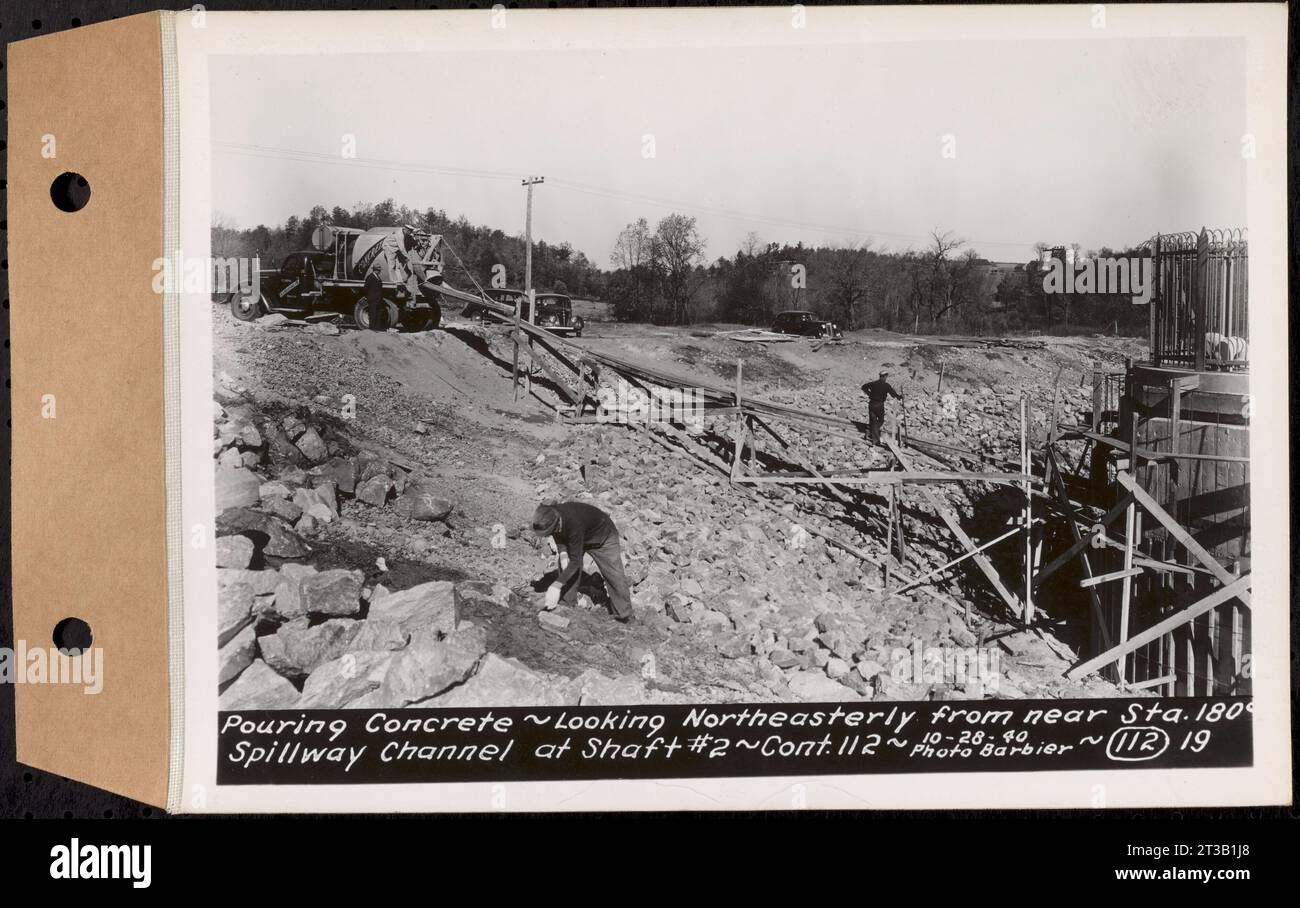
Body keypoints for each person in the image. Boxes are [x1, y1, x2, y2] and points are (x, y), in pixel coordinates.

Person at [530, 501, 634, 623]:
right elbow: (558, 535)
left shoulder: (573, 522)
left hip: (603, 537)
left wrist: (556, 585)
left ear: (556, 523)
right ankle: (568, 602)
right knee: (565, 567)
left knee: (614, 574)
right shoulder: (551, 514)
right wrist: (563, 554)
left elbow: (576, 561)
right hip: (580, 537)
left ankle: (624, 615)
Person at [861, 371, 902, 444]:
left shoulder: (873, 384)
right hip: (879, 405)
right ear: (885, 376)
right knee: (881, 420)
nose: (886, 378)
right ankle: (875, 439)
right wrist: (900, 397)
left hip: (872, 404)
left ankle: (870, 433)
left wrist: (869, 394)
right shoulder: (886, 385)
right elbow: (893, 395)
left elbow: (863, 387)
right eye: (886, 376)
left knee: (872, 421)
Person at [364, 259, 388, 332]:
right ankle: (372, 328)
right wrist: (368, 297)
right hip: (372, 298)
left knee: (378, 313)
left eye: (379, 270)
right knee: (373, 313)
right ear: (375, 270)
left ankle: (377, 327)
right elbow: (365, 288)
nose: (379, 271)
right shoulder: (370, 277)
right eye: (378, 270)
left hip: (378, 298)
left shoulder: (377, 277)